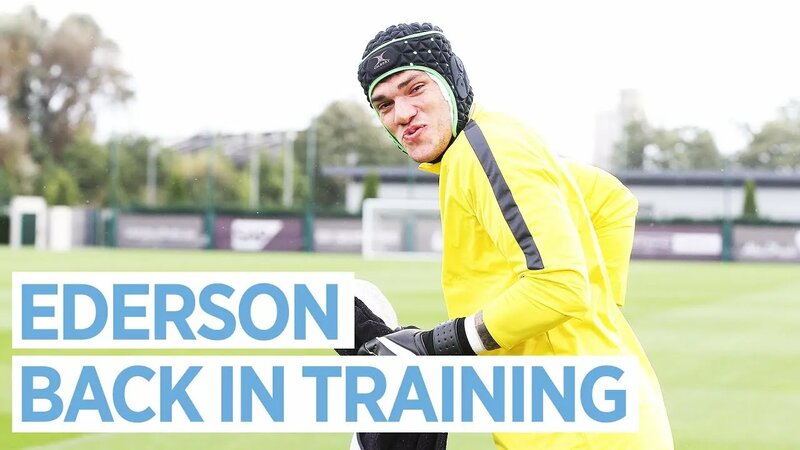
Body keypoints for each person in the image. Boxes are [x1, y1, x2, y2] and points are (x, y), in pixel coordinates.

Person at [354, 22, 674, 449]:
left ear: (453, 82)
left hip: (577, 432)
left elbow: (560, 287)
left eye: (415, 89)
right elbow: (612, 202)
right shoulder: (489, 143)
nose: (402, 114)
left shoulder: (484, 150)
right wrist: (599, 315)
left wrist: (432, 346)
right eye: (384, 104)